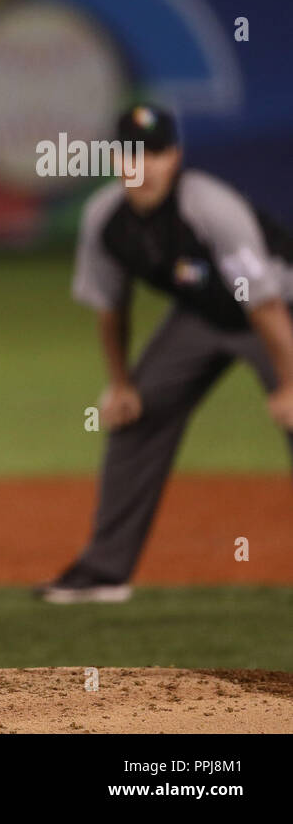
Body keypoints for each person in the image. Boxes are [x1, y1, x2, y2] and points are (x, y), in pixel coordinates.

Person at [38, 103, 293, 604]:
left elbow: (262, 305)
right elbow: (112, 309)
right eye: (132, 154)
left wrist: (289, 384)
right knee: (135, 414)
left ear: (174, 157)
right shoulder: (106, 219)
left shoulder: (210, 207)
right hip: (202, 317)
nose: (143, 166)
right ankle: (105, 571)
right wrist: (121, 383)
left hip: (277, 312)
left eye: (155, 153)